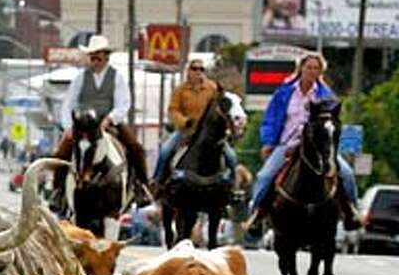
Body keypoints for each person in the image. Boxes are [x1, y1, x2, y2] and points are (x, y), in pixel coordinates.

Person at [248, 52, 357, 227]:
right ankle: (256, 216)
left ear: (320, 71)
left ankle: (351, 212)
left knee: (347, 173)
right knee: (264, 176)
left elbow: (333, 122)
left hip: (318, 147)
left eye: (316, 68)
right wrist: (268, 142)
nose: (312, 71)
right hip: (287, 144)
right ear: (301, 69)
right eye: (309, 67)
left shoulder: (326, 96)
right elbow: (270, 118)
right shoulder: (284, 93)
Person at [51, 35, 152, 206]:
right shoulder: (81, 78)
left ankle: (141, 187)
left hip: (109, 122)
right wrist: (68, 126)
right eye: (92, 57)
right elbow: (68, 102)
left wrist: (110, 119)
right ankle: (57, 191)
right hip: (83, 123)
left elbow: (123, 103)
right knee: (60, 153)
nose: (95, 60)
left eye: (98, 56)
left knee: (136, 148)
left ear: (106, 56)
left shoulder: (117, 77)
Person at [152, 58, 236, 187]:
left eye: (201, 69)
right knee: (165, 151)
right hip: (186, 132)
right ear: (188, 71)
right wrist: (184, 122)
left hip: (209, 134)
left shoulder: (212, 88)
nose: (198, 72)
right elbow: (172, 111)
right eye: (194, 69)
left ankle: (233, 184)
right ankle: (156, 182)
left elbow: (220, 110)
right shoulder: (179, 90)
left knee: (231, 156)